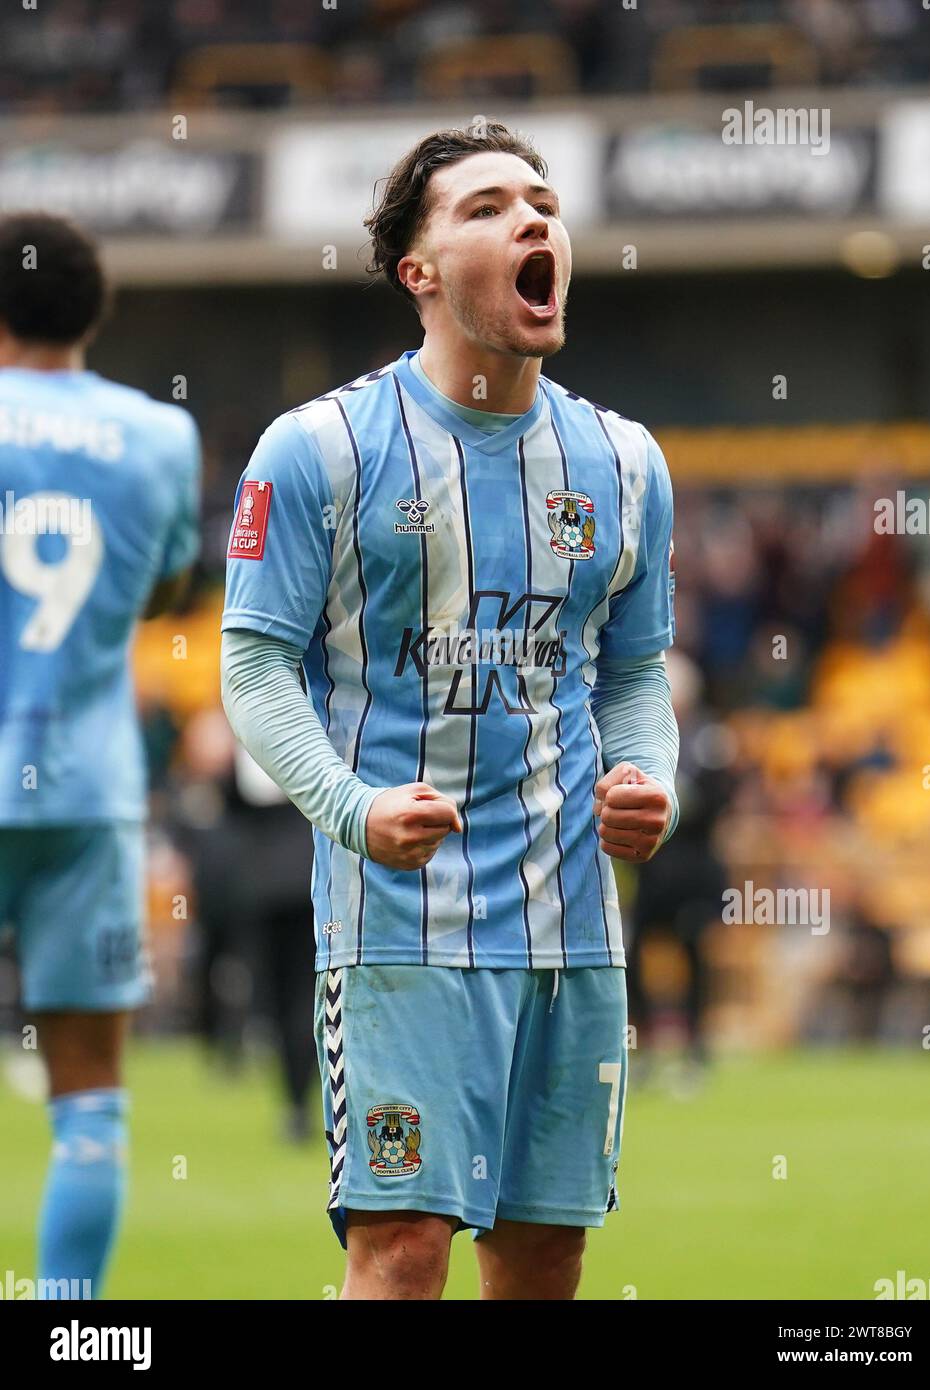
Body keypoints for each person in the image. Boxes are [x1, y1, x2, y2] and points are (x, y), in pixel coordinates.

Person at [221, 123, 679, 1300]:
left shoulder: (623, 463)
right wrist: (348, 804)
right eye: (484, 208)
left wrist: (641, 775)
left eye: (541, 202)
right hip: (397, 923)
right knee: (403, 1245)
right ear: (415, 271)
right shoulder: (317, 449)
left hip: (568, 923)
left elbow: (631, 672)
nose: (532, 221)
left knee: (541, 1256)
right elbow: (254, 663)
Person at [0, 213, 201, 1298]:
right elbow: (167, 588)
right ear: (94, 311)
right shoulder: (158, 436)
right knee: (89, 1091)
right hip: (86, 787)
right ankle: (66, 1328)